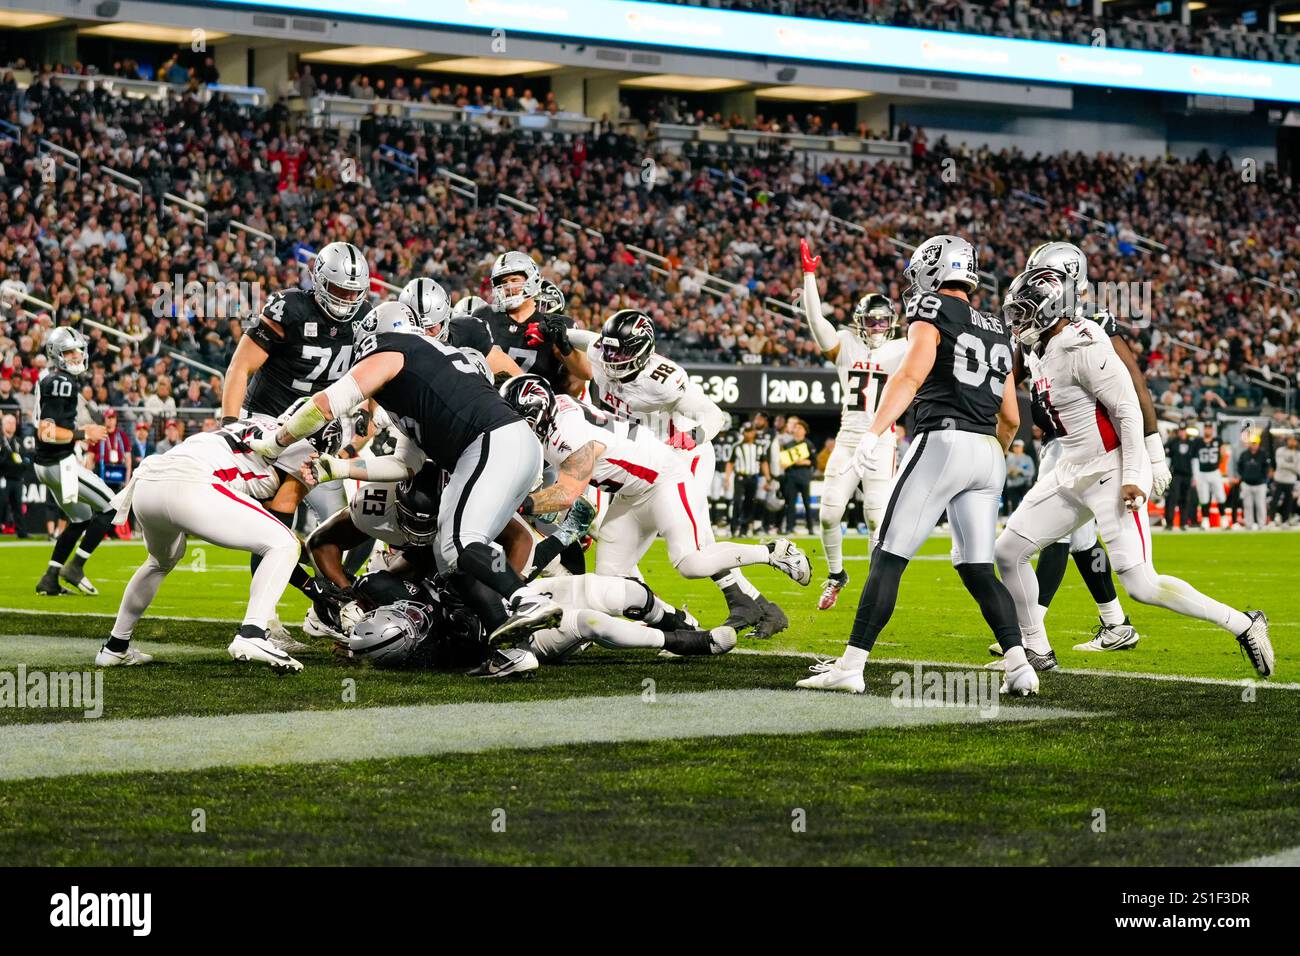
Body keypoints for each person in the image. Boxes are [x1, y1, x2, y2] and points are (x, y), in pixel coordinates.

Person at [992, 267, 1272, 678]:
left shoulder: (1082, 343)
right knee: (1008, 551)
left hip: (1109, 469)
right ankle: (1036, 648)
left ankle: (1245, 623)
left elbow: (1127, 407)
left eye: (1026, 310)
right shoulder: (1040, 346)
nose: (1018, 320)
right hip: (1069, 467)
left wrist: (1136, 474)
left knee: (1142, 585)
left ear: (1052, 308)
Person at [797, 234, 1034, 696]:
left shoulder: (932, 310)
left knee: (887, 554)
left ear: (932, 268)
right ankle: (1019, 664)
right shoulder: (998, 326)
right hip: (987, 452)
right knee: (977, 568)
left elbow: (911, 374)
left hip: (942, 440)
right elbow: (1010, 416)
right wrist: (992, 456)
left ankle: (851, 665)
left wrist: (874, 430)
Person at [254, 301, 563, 644]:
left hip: (490, 441)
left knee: (460, 542)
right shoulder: (422, 373)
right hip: (506, 444)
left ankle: (525, 599)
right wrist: (338, 467)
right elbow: (407, 464)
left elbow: (326, 404)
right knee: (452, 557)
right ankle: (513, 651)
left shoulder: (395, 349)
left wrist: (274, 443)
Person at [499, 374, 811, 628]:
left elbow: (565, 494)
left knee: (691, 562)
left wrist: (515, 504)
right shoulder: (560, 406)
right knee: (612, 580)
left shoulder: (570, 434)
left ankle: (773, 552)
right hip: (631, 492)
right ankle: (680, 623)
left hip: (664, 480)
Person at [582, 308, 790, 636]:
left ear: (641, 350)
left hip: (683, 456)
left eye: (621, 351)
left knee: (695, 545)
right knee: (693, 543)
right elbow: (581, 338)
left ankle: (756, 596)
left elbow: (715, 415)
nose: (612, 357)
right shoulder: (601, 353)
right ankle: (752, 604)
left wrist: (692, 437)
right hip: (646, 463)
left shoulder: (663, 380)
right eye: (610, 349)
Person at [98, 407, 337, 672]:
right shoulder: (305, 451)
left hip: (148, 480)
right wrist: (315, 581)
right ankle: (253, 633)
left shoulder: (255, 423)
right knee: (284, 545)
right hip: (192, 484)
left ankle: (115, 647)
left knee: (160, 561)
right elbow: (280, 529)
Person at [799, 239, 909, 609]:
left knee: (876, 518)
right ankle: (836, 574)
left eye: (882, 320)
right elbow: (816, 321)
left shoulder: (904, 347)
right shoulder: (846, 343)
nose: (877, 327)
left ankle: (875, 585)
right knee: (829, 512)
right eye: (871, 320)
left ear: (891, 323)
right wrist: (809, 276)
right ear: (860, 322)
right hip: (848, 438)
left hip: (881, 440)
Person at [31, 328, 117, 596]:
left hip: (47, 463)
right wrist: (82, 433)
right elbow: (45, 431)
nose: (76, 357)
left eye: (78, 351)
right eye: (69, 352)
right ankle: (76, 566)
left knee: (80, 518)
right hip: (59, 463)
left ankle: (50, 577)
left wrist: (76, 436)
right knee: (111, 506)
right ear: (56, 355)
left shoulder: (51, 378)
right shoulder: (61, 382)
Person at [778, 418, 817, 535]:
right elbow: (783, 463)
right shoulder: (787, 444)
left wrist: (804, 462)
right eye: (796, 427)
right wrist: (788, 463)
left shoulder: (808, 444)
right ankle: (789, 527)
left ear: (805, 431)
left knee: (807, 503)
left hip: (804, 476)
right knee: (790, 503)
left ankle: (810, 528)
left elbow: (814, 462)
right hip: (791, 476)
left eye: (800, 428)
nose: (797, 430)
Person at [728, 421, 762, 537]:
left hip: (753, 477)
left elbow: (764, 462)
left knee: (750, 503)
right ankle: (733, 527)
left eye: (750, 431)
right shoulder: (737, 447)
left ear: (754, 432)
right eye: (746, 432)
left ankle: (744, 528)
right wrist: (727, 478)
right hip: (740, 477)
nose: (748, 434)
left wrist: (768, 478)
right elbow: (731, 463)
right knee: (737, 501)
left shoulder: (758, 447)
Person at [1164, 424, 1197, 529]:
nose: (1182, 432)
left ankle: (1183, 523)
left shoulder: (1191, 443)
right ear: (1178, 431)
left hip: (1187, 475)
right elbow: (1167, 459)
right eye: (1181, 430)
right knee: (1172, 498)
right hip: (1176, 474)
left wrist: (1195, 477)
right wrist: (1166, 474)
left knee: (1185, 499)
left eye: (1184, 430)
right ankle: (1169, 523)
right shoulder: (1172, 442)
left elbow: (1194, 461)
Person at [0, 413, 27, 536]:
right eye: (8, 423)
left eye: (13, 423)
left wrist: (20, 464)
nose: (11, 425)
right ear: (2, 425)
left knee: (18, 506)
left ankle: (21, 531)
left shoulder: (18, 441)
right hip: (3, 478)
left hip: (17, 479)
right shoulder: (1, 441)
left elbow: (26, 460)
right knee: (1, 504)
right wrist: (10, 460)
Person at [1236, 435, 1270, 530]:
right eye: (1252, 443)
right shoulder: (1244, 454)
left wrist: (1263, 478)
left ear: (1258, 443)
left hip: (1260, 484)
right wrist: (1244, 476)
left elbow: (1266, 468)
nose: (1253, 445)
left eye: (1255, 443)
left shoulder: (1263, 454)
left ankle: (1262, 525)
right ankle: (1248, 524)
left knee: (1260, 505)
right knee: (1247, 505)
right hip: (1247, 483)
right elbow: (1239, 467)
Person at [1271, 434, 1298, 524]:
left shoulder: (1298, 454)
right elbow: (1280, 464)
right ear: (1287, 441)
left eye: (1294, 440)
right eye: (1290, 440)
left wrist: (1288, 466)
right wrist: (1293, 466)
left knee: (1288, 502)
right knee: (1275, 500)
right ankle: (1271, 520)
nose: (1292, 442)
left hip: (1290, 481)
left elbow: (1298, 469)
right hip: (1279, 479)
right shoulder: (1280, 451)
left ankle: (1285, 520)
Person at [1003, 439, 1035, 515]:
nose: (1017, 448)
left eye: (1018, 447)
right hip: (1012, 486)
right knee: (1014, 506)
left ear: (1022, 447)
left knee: (1026, 505)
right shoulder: (1009, 458)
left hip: (1024, 485)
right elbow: (1004, 471)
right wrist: (1010, 472)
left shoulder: (1027, 458)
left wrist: (1021, 471)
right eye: (1015, 447)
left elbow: (1031, 472)